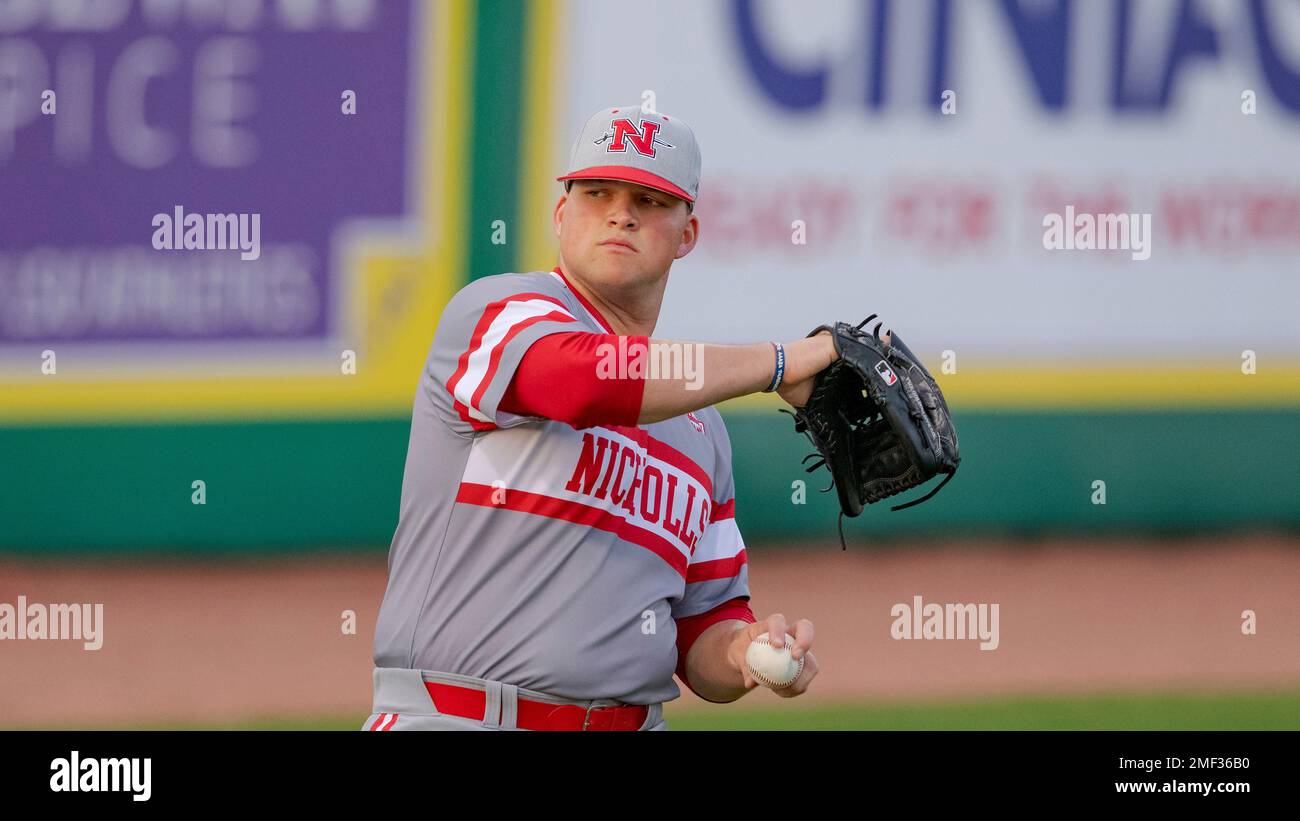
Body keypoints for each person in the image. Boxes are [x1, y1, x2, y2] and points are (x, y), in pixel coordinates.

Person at [363, 104, 839, 731]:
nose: (621, 212)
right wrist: (782, 362)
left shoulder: (702, 433)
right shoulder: (498, 311)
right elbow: (585, 381)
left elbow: (702, 628)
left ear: (687, 234)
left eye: (649, 199)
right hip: (462, 717)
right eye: (597, 192)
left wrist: (750, 652)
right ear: (561, 214)